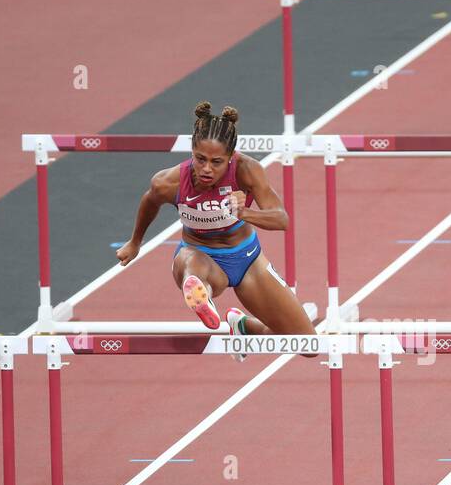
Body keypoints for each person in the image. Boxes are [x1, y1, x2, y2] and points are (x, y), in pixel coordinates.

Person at [116, 102, 315, 343]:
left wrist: (244, 213)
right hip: (200, 257)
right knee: (193, 266)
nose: (206, 169)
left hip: (248, 260)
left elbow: (281, 219)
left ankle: (244, 325)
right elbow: (150, 201)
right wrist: (135, 242)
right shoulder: (168, 182)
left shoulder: (247, 171)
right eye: (200, 159)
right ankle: (203, 297)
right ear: (192, 151)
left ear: (231, 157)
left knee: (307, 342)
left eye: (216, 162)